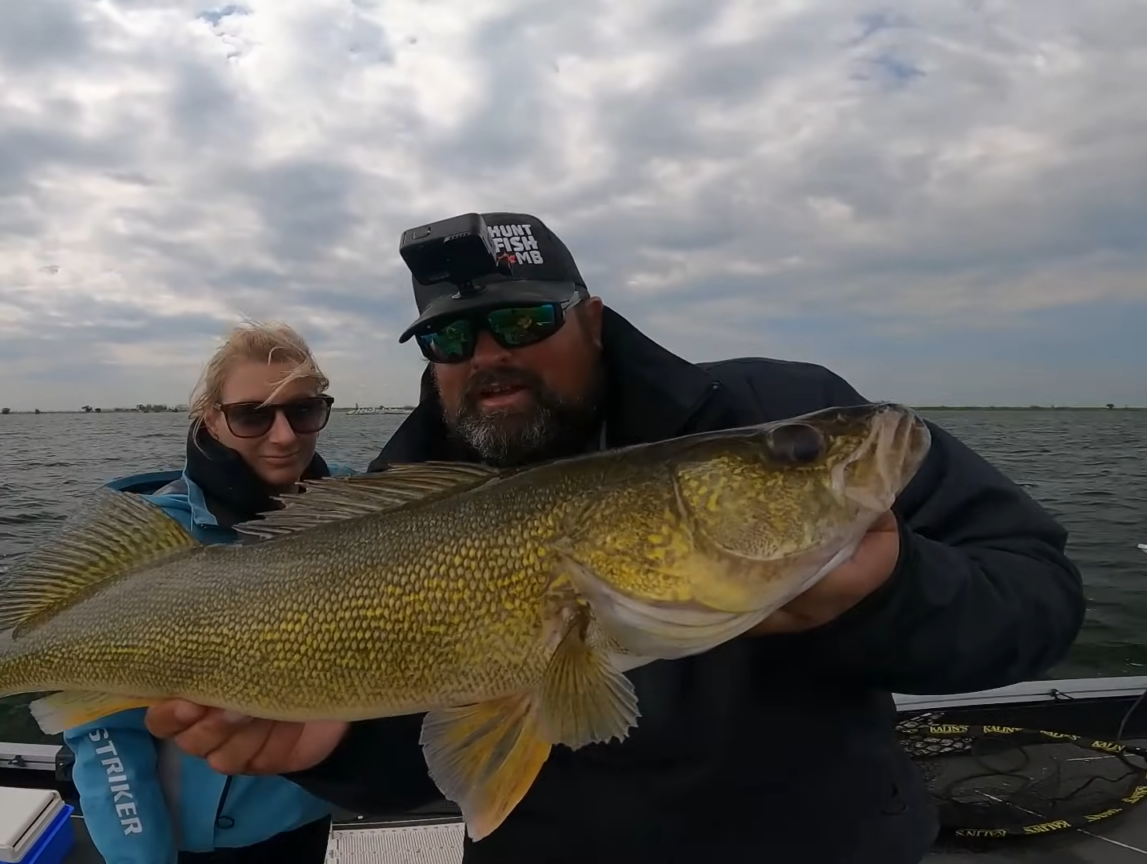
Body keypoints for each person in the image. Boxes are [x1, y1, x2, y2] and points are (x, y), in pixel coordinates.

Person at [138, 213, 1087, 863]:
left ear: (590, 317)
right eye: (451, 338)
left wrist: (887, 594)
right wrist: (333, 753)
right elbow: (433, 754)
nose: (489, 355)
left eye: (523, 318)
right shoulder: (399, 501)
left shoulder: (786, 410)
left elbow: (1038, 597)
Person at [64, 320, 345, 864]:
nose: (284, 435)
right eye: (251, 415)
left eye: (303, 410)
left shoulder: (360, 510)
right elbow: (103, 733)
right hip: (191, 843)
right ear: (211, 418)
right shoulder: (152, 539)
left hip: (307, 817)